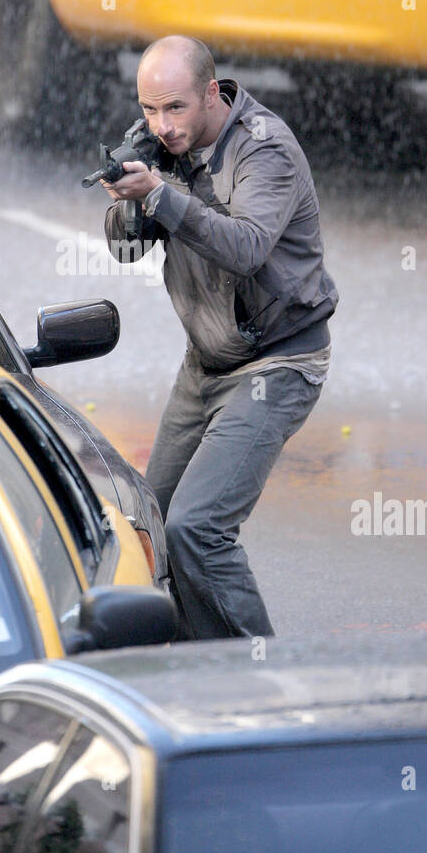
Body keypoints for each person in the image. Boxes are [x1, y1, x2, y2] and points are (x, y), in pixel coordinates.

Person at [102, 35, 338, 640]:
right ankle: (194, 666)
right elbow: (127, 249)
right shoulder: (161, 143)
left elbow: (248, 246)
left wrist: (159, 194)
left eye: (174, 108)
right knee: (150, 526)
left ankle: (256, 679)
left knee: (197, 528)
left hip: (276, 364)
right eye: (150, 109)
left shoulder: (266, 151)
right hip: (205, 362)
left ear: (212, 93)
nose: (162, 125)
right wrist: (129, 205)